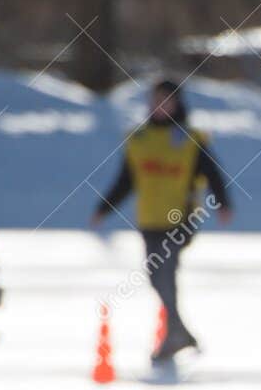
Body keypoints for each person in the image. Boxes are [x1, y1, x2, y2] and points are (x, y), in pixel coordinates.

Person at [90, 79, 232, 363]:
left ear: (177, 103)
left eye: (166, 100)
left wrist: (223, 203)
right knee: (157, 276)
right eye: (155, 100)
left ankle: (174, 335)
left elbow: (213, 173)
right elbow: (126, 180)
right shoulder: (139, 139)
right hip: (150, 218)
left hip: (181, 217)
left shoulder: (190, 139)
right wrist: (104, 208)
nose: (160, 105)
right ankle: (179, 331)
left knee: (164, 271)